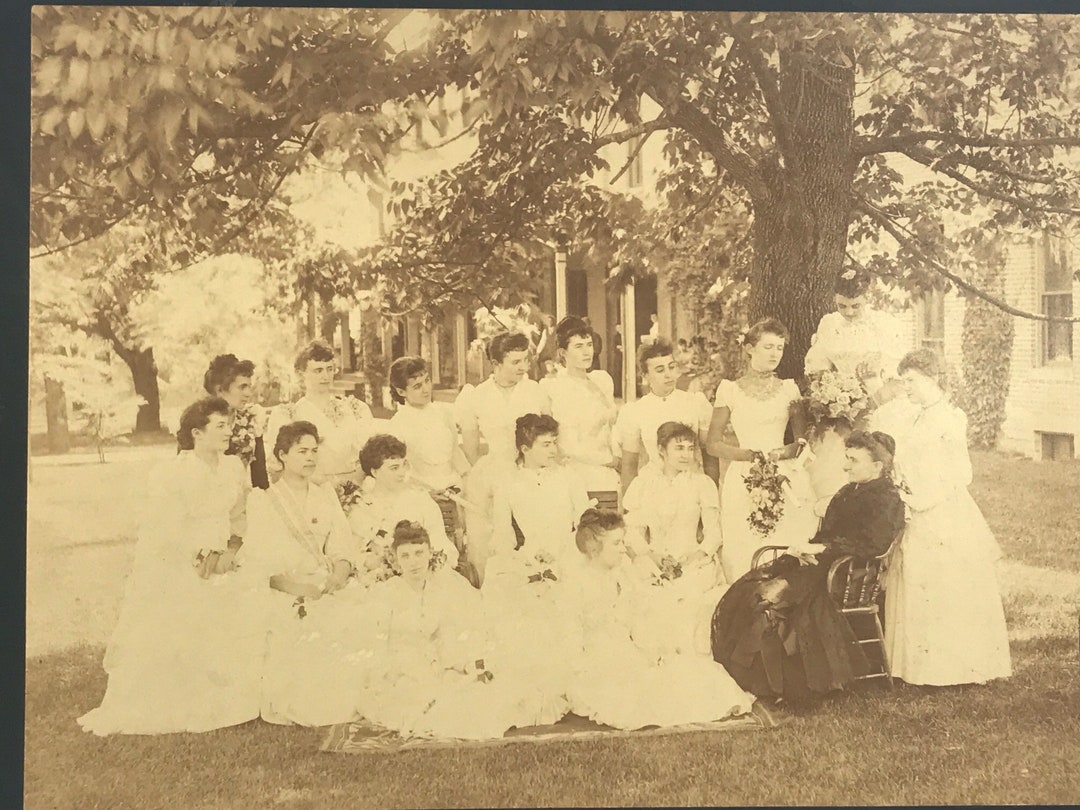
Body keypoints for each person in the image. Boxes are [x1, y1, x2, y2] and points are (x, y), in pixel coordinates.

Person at [78, 398, 264, 735]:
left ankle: (238, 698)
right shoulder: (174, 472)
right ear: (197, 433)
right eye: (220, 426)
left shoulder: (233, 466)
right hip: (184, 558)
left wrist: (232, 549)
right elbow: (163, 529)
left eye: (229, 424)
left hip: (227, 554)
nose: (229, 431)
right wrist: (202, 557)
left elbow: (240, 514)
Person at [711, 430, 906, 703]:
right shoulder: (850, 490)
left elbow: (873, 546)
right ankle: (755, 680)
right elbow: (827, 534)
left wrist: (825, 549)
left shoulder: (886, 499)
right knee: (753, 590)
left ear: (877, 466)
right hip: (822, 563)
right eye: (846, 458)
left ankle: (782, 687)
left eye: (854, 460)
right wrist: (804, 549)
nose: (846, 465)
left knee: (773, 601)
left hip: (846, 575)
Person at [878, 349, 1011, 686]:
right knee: (917, 584)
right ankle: (918, 668)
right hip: (914, 507)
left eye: (912, 381)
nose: (905, 387)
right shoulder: (915, 416)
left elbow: (961, 472)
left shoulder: (950, 418)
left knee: (945, 585)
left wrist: (921, 499)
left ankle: (954, 668)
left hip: (941, 511)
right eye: (903, 380)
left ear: (933, 378)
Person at [565, 509, 757, 730]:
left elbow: (639, 617)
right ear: (593, 547)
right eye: (616, 544)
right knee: (641, 695)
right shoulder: (579, 585)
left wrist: (653, 647)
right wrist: (583, 669)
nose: (622, 549)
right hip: (598, 660)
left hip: (627, 651)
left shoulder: (623, 576)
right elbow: (572, 634)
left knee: (684, 675)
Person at [243, 421, 369, 726]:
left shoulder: (325, 494)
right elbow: (261, 567)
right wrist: (298, 588)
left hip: (327, 581)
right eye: (302, 451)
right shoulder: (264, 500)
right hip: (287, 587)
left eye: (314, 451)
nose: (311, 457)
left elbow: (342, 545)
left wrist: (339, 575)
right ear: (283, 454)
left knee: (362, 615)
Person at [358, 521, 526, 740]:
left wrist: (461, 664)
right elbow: (378, 645)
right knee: (423, 702)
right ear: (396, 559)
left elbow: (446, 638)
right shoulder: (387, 594)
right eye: (406, 556)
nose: (414, 562)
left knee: (469, 697)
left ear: (430, 553)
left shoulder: (439, 592)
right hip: (399, 670)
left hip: (433, 664)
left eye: (419, 553)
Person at [483, 414, 590, 726]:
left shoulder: (569, 477)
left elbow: (584, 523)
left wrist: (566, 552)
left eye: (555, 443)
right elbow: (503, 533)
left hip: (569, 554)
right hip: (529, 558)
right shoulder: (508, 483)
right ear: (525, 448)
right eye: (546, 445)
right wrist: (520, 561)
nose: (553, 450)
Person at [706, 318, 818, 582]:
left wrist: (781, 452)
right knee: (745, 547)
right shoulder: (729, 390)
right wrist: (747, 455)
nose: (774, 354)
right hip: (745, 476)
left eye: (779, 348)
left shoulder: (789, 389)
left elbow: (801, 443)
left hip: (783, 475)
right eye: (768, 347)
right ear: (749, 348)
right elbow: (712, 444)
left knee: (785, 543)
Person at [802, 268, 908, 505]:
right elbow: (817, 368)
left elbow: (898, 379)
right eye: (842, 306)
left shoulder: (885, 325)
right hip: (841, 411)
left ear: (868, 298)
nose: (849, 312)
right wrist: (830, 397)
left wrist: (868, 404)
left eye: (855, 306)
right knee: (832, 472)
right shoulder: (829, 324)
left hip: (877, 405)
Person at [622, 422, 727, 656]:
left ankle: (686, 662)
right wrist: (650, 555)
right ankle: (657, 662)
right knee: (647, 594)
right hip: (652, 559)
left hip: (695, 562)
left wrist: (697, 555)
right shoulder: (644, 484)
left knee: (686, 596)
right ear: (661, 450)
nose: (686, 454)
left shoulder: (702, 484)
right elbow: (632, 531)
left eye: (690, 448)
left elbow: (714, 532)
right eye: (679, 448)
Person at [453, 331, 550, 578]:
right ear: (496, 364)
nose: (523, 367)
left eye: (525, 360)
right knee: (488, 532)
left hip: (530, 469)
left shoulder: (535, 391)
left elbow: (548, 435)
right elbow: (471, 448)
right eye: (515, 362)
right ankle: (491, 585)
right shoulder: (477, 395)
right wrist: (483, 474)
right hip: (493, 469)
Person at [347, 434, 461, 584]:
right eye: (394, 468)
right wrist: (379, 564)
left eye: (403, 465)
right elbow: (353, 553)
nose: (402, 473)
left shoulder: (420, 500)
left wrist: (426, 565)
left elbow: (440, 542)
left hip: (424, 576)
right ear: (374, 472)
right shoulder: (360, 506)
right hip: (379, 581)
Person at [266, 340, 375, 485]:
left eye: (329, 369)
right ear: (300, 373)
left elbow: (370, 457)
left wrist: (350, 486)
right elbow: (278, 470)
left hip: (353, 488)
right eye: (318, 370)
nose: (325, 376)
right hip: (310, 490)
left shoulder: (354, 409)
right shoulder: (289, 415)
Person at [615, 339, 715, 494]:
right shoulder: (635, 411)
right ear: (646, 375)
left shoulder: (695, 403)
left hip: (691, 486)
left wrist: (710, 494)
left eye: (671, 367)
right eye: (660, 370)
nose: (668, 375)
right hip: (654, 488)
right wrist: (629, 511)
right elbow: (629, 465)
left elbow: (709, 457)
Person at [539, 316, 620, 492]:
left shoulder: (602, 380)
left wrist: (616, 458)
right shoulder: (554, 387)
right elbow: (564, 444)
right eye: (578, 346)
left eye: (589, 345)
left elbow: (612, 430)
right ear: (563, 353)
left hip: (608, 470)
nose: (587, 352)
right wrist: (607, 461)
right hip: (574, 471)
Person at [387, 356, 470, 493]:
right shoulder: (397, 425)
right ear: (401, 391)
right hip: (421, 492)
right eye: (417, 386)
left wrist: (467, 478)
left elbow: (455, 452)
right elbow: (398, 472)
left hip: (456, 487)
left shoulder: (443, 413)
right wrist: (427, 494)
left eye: (427, 380)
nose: (426, 389)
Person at [204, 353, 269, 489]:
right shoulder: (200, 422)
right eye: (242, 387)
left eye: (249, 387)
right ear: (220, 390)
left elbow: (259, 476)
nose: (248, 394)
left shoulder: (252, 419)